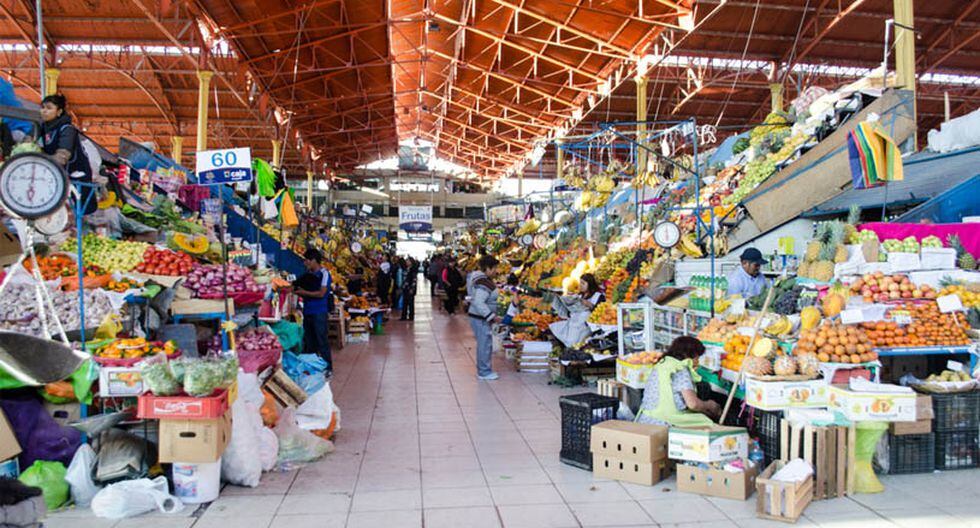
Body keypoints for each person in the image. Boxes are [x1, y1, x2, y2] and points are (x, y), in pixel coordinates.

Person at [635, 336, 719, 426]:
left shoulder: (662, 364)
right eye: (697, 358)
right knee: (709, 424)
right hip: (664, 423)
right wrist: (710, 405)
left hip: (645, 420)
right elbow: (693, 404)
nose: (697, 361)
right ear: (689, 355)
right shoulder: (680, 368)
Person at [39, 94, 96, 215]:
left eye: (49, 108)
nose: (44, 111)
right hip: (58, 175)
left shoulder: (67, 129)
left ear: (59, 111)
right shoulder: (43, 128)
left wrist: (43, 160)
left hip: (76, 174)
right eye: (42, 107)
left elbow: (63, 156)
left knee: (77, 211)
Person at [295, 249, 333, 377]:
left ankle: (328, 368)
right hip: (308, 311)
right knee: (310, 341)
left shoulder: (324, 274)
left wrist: (303, 293)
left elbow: (322, 293)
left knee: (321, 341)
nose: (305, 263)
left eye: (306, 260)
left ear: (313, 261)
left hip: (319, 312)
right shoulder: (307, 274)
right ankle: (312, 368)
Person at [468, 255, 500, 380]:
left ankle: (484, 370)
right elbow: (479, 302)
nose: (496, 271)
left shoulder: (479, 279)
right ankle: (484, 372)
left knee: (484, 343)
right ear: (488, 268)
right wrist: (491, 316)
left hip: (478, 317)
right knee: (484, 344)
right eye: (495, 268)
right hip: (480, 318)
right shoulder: (483, 283)